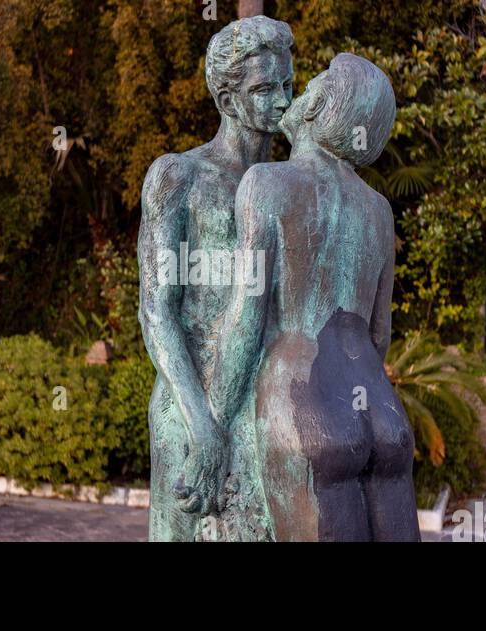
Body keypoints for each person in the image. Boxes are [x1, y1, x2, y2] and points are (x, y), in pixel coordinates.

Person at [208, 53, 419, 541]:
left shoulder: (266, 185)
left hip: (303, 405)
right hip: (382, 412)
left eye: (314, 83)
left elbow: (245, 322)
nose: (299, 91)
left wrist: (212, 429)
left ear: (320, 107)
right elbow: (379, 335)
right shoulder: (378, 211)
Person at [138, 16, 293, 542]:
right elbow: (156, 311)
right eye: (264, 89)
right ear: (228, 102)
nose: (281, 101)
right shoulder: (178, 176)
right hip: (189, 404)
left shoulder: (287, 187)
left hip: (260, 403)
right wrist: (201, 425)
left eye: (288, 86)